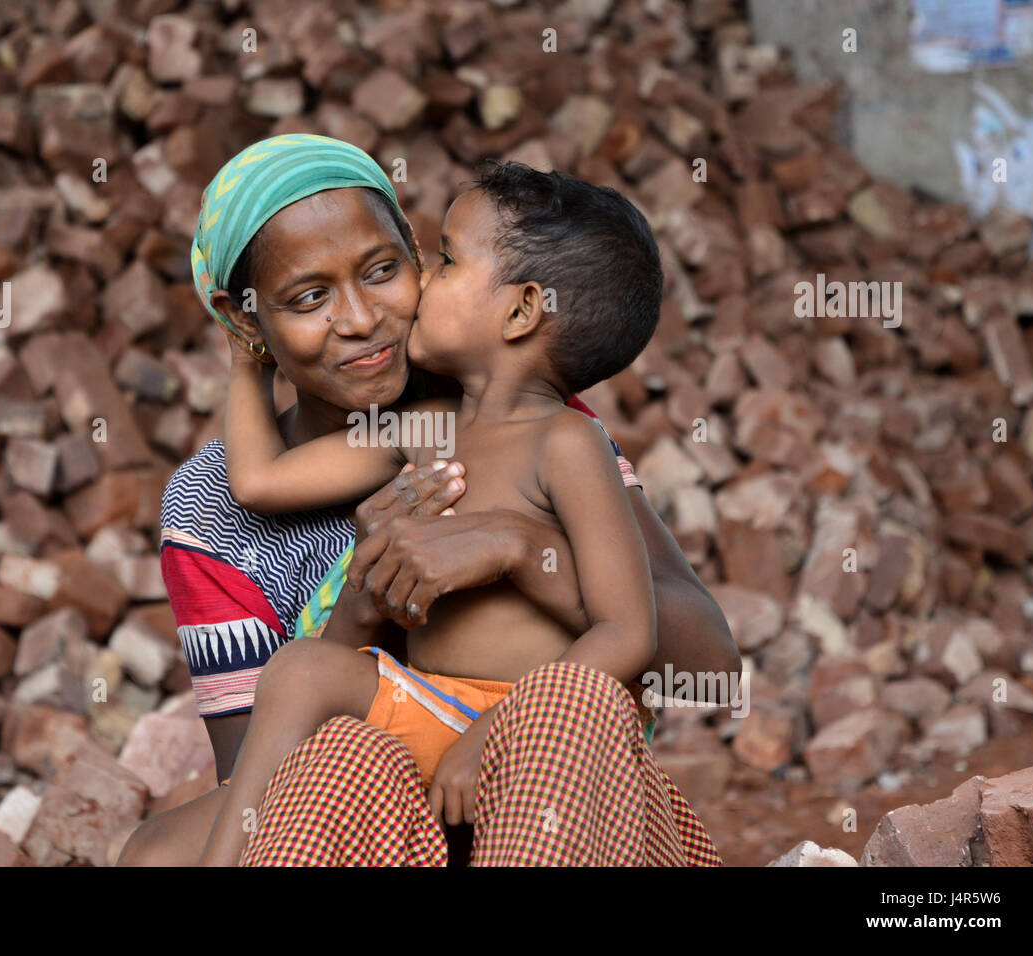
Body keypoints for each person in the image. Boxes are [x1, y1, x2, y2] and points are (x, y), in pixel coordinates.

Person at [116, 134, 737, 866]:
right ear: (248, 318)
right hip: (373, 764)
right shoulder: (222, 506)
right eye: (308, 297)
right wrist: (363, 600)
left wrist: (516, 549)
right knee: (154, 856)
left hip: (541, 756)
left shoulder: (550, 426)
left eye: (388, 269)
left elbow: (704, 666)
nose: (359, 319)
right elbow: (264, 777)